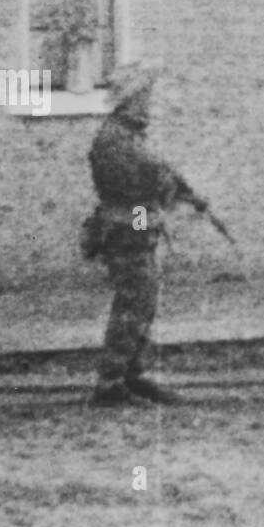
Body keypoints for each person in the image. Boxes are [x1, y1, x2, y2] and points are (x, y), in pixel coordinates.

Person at [84, 63, 210, 406]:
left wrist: (182, 191)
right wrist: (170, 185)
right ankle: (110, 383)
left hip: (137, 226)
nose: (149, 102)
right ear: (131, 100)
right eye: (144, 96)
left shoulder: (131, 135)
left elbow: (153, 175)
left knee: (145, 301)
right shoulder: (114, 139)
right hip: (125, 228)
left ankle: (131, 375)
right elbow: (136, 183)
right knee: (133, 302)